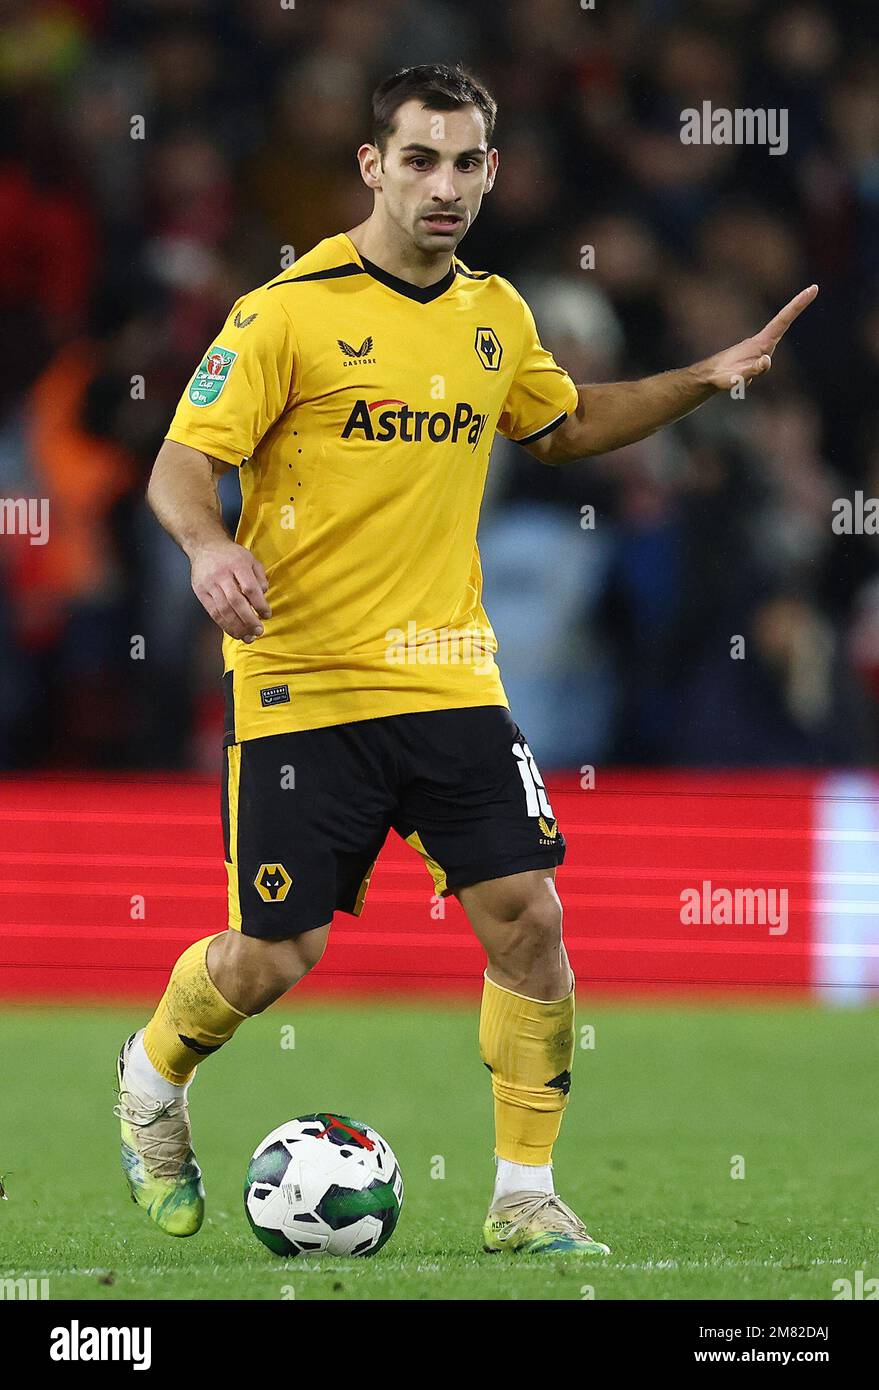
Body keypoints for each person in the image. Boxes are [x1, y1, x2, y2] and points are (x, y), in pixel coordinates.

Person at [116, 62, 817, 1256]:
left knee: (528, 917)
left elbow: (565, 424)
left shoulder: (498, 315)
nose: (444, 186)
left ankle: (522, 1192)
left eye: (467, 163)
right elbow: (182, 460)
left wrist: (699, 381)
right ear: (373, 165)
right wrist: (204, 544)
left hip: (450, 675)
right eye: (420, 159)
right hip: (302, 681)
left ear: (491, 172)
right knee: (277, 951)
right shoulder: (286, 309)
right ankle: (150, 1084)